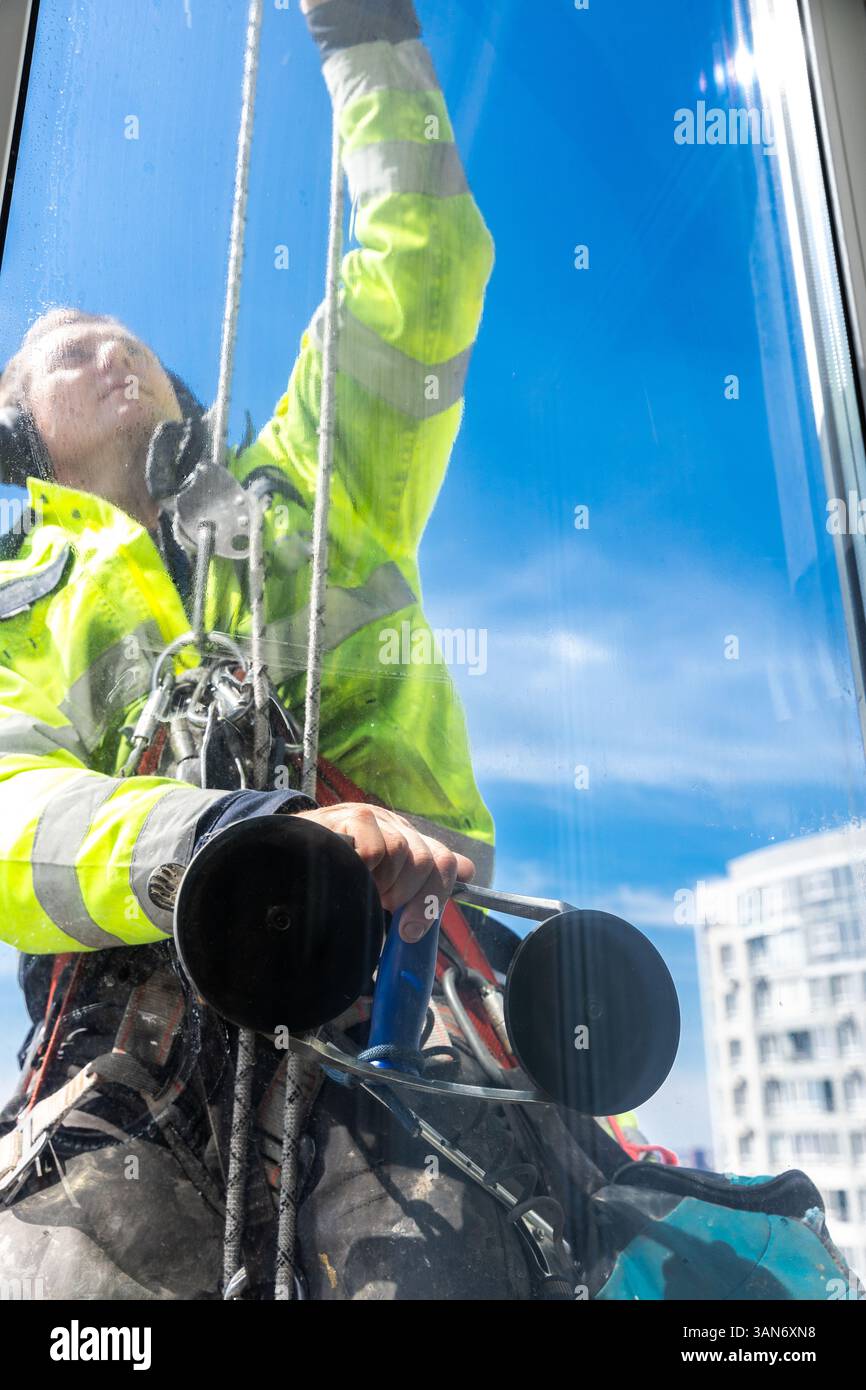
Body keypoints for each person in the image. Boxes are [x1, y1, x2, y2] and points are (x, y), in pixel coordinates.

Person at [0, 0, 551, 1300]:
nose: (113, 350)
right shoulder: (21, 610)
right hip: (139, 1018)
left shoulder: (312, 477)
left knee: (446, 1264)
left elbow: (422, 268)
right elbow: (10, 811)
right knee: (64, 1283)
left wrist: (363, 34)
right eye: (69, 353)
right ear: (22, 437)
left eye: (125, 338)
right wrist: (222, 837)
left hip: (404, 974)